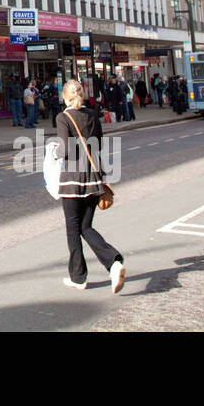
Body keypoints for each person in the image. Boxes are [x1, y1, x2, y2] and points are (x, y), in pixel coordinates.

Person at [55, 78, 126, 293]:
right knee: (86, 227)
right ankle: (113, 263)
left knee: (72, 230)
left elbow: (66, 150)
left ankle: (78, 277)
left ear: (65, 97)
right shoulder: (93, 114)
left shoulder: (63, 117)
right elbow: (99, 143)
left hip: (72, 179)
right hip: (94, 178)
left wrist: (54, 152)